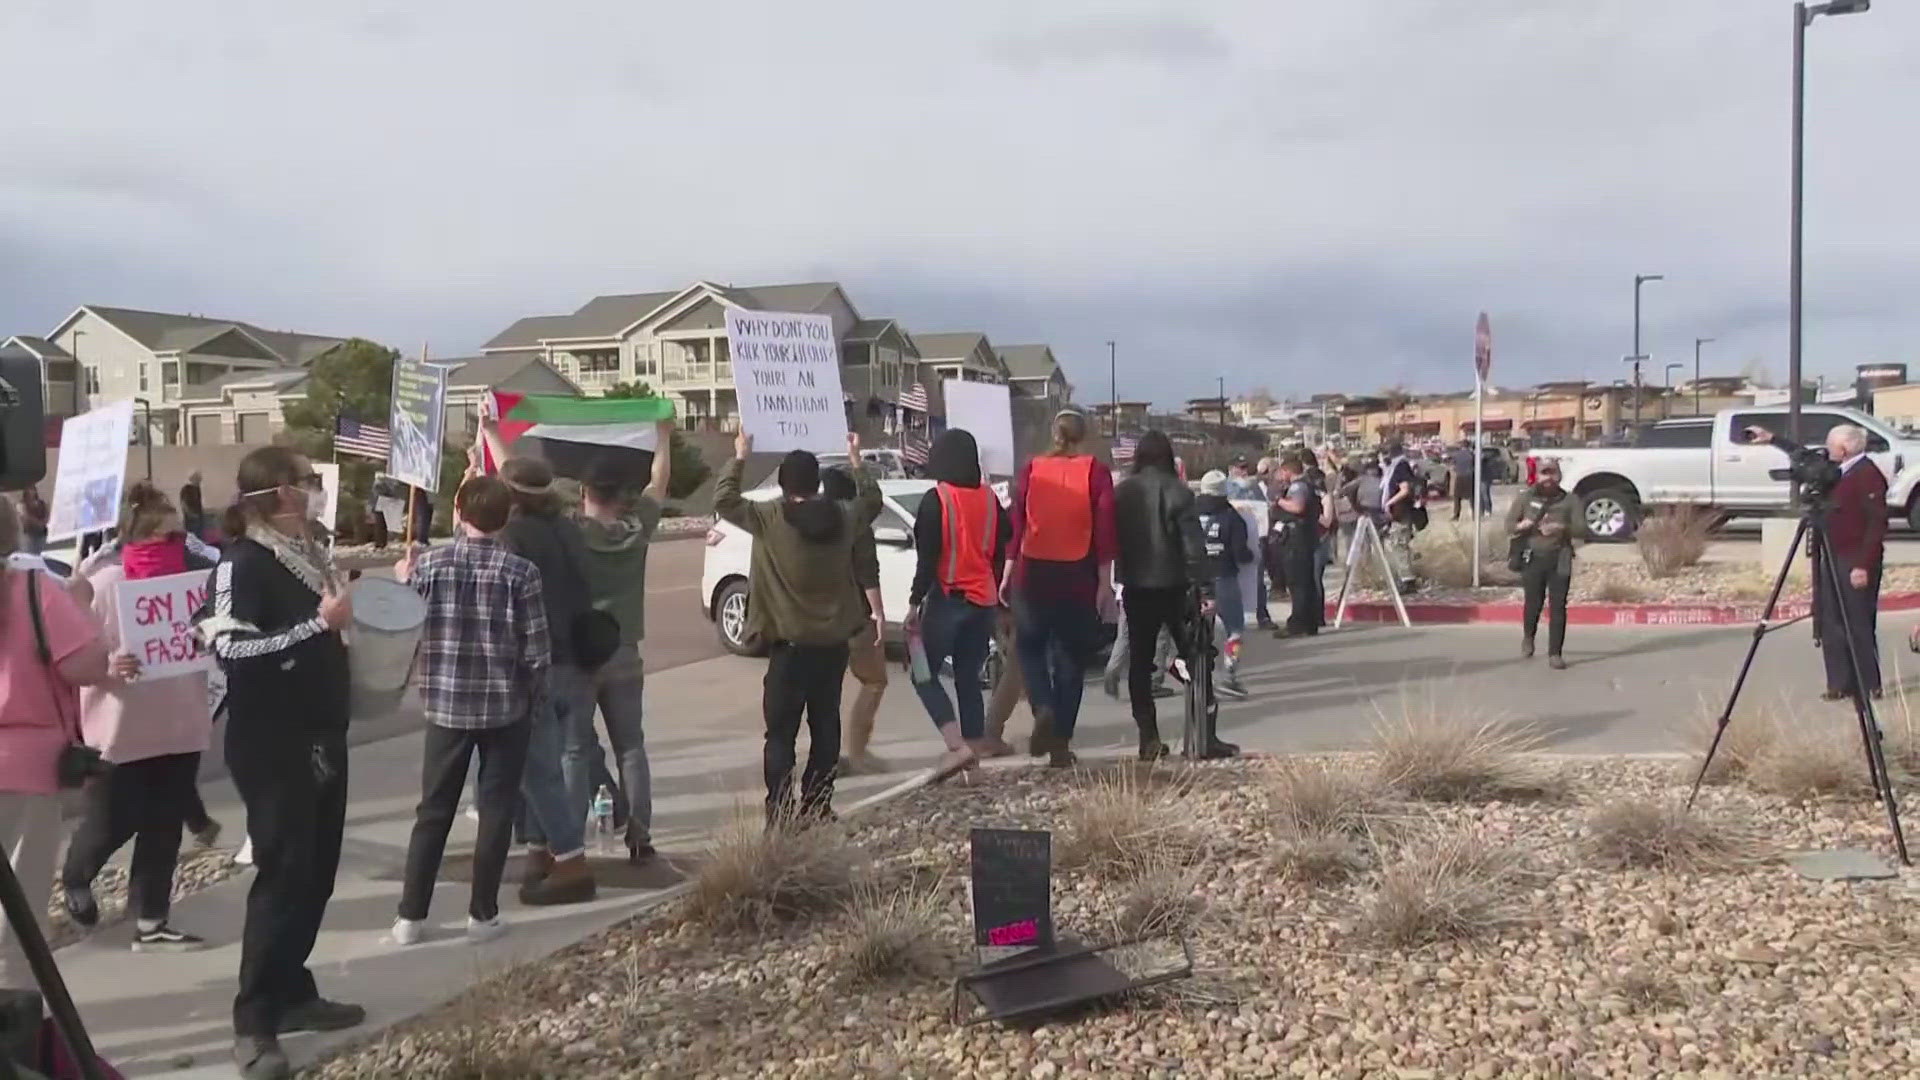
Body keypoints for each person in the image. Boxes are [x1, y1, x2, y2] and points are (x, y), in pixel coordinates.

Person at [192, 446, 361, 1080]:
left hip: (321, 732)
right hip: (273, 742)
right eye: (306, 481)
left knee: (316, 873)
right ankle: (254, 1021)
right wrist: (317, 628)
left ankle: (293, 989)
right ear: (282, 494)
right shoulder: (242, 563)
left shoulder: (309, 554)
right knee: (282, 876)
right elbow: (233, 650)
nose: (315, 489)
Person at [391, 475, 562, 950]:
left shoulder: (430, 566)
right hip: (504, 706)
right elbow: (537, 651)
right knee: (495, 810)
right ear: (506, 517)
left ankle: (411, 915)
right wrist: (536, 697)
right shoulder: (520, 573)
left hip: (445, 704)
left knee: (433, 811)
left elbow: (405, 624)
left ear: (459, 514)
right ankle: (481, 913)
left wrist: (406, 581)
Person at [62, 483, 215, 953]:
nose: (175, 546)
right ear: (137, 538)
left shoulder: (195, 583)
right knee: (111, 823)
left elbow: (212, 634)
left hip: (181, 723)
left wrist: (206, 639)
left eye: (179, 537)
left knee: (164, 828)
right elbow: (76, 652)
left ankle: (151, 921)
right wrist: (108, 666)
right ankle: (76, 877)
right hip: (121, 730)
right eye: (164, 537)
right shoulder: (105, 585)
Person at [714, 431, 880, 825]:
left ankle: (781, 812)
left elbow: (722, 499)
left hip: (788, 648)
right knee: (826, 727)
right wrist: (856, 458)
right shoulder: (845, 516)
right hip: (833, 645)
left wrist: (739, 456)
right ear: (817, 484)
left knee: (781, 735)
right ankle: (818, 805)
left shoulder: (768, 517)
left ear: (784, 485)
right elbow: (872, 501)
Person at [0, 497, 109, 1046]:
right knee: (17, 916)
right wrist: (82, 605)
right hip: (24, 768)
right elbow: (87, 663)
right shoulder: (36, 591)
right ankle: (16, 1038)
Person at [492, 458, 602, 899]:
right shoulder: (570, 529)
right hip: (577, 654)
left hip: (537, 660)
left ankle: (569, 860)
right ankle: (540, 851)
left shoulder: (511, 536)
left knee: (538, 771)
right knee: (556, 760)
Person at [575, 426, 673, 860]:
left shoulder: (571, 533)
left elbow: (511, 480)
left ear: (584, 492)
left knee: (575, 746)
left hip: (579, 653)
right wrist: (663, 436)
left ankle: (571, 835)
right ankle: (640, 835)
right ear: (620, 497)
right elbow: (660, 482)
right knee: (630, 746)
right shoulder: (637, 529)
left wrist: (490, 433)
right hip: (624, 650)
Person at [1004, 410, 1116, 767]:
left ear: (1053, 434)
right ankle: (1061, 742)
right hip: (1078, 574)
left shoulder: (1031, 470)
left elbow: (1016, 524)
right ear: (1083, 436)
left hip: (1033, 572)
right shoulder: (1095, 472)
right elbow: (1105, 530)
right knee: (1071, 659)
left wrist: (1007, 572)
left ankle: (1043, 707)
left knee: (1030, 647)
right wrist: (1104, 583)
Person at [1749, 423, 1887, 700]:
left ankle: (1869, 683)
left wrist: (1863, 565)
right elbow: (1806, 457)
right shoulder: (1834, 471)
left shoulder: (1867, 475)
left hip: (1855, 558)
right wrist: (1773, 438)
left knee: (1857, 622)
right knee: (1830, 619)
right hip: (1831, 553)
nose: (1826, 450)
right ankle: (1839, 683)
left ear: (1844, 449)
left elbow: (1877, 524)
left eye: (1831, 445)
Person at [1114, 430, 1230, 759]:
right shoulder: (1180, 493)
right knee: (1197, 656)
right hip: (1177, 587)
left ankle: (1148, 737)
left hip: (1137, 586)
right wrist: (1206, 589)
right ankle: (1204, 735)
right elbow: (1194, 549)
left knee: (1140, 663)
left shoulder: (1123, 493)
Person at [907, 429, 1011, 778]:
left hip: (947, 601)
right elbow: (1001, 547)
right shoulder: (990, 500)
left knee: (922, 673)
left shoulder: (936, 500)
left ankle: (958, 748)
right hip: (983, 602)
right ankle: (974, 759)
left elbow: (927, 559)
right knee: (968, 677)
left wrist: (913, 602)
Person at [822, 467, 891, 776]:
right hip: (855, 616)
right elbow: (867, 572)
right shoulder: (856, 523)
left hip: (819, 619)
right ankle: (858, 753)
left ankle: (827, 757)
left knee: (825, 692)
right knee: (874, 681)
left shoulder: (813, 524)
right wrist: (878, 612)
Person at [1505, 458, 1586, 670]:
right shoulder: (1525, 498)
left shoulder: (1570, 500)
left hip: (1560, 557)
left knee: (1558, 606)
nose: (1548, 478)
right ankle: (1528, 637)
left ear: (1559, 476)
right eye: (1544, 473)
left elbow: (1582, 529)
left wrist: (1562, 527)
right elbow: (1508, 526)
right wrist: (1523, 525)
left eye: (1552, 473)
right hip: (1532, 557)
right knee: (1533, 603)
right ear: (1537, 475)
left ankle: (1555, 653)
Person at [1193, 471, 1252, 698]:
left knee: (1198, 630)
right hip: (1224, 576)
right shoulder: (1231, 516)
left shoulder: (1189, 513)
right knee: (1234, 629)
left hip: (1196, 580)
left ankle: (1198, 675)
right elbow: (1241, 552)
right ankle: (1229, 675)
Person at [1272, 454, 1325, 638]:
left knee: (1298, 583)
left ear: (1287, 471)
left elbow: (1297, 507)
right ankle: (1309, 623)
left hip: (1297, 540)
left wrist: (1278, 500)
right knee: (1305, 582)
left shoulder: (1298, 486)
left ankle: (1298, 624)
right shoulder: (1306, 484)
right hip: (1304, 538)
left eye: (1282, 471)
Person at [1381, 440, 1424, 591]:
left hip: (1400, 511)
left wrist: (1389, 503)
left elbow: (1405, 489)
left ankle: (1408, 580)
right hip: (1396, 512)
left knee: (1399, 544)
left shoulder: (1400, 466)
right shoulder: (1394, 467)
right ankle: (1405, 575)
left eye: (1385, 452)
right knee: (1396, 544)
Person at [17, 488, 48, 555]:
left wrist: (43, 522)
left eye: (32, 490)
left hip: (41, 533)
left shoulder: (41, 503)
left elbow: (46, 515)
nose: (31, 492)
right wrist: (38, 522)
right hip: (28, 533)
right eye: (29, 490)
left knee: (38, 553)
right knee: (27, 553)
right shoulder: (22, 504)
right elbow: (25, 517)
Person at [181, 471, 207, 538]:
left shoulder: (197, 489)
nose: (199, 481)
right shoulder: (186, 489)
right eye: (198, 479)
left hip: (198, 518)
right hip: (191, 519)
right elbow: (184, 504)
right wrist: (192, 515)